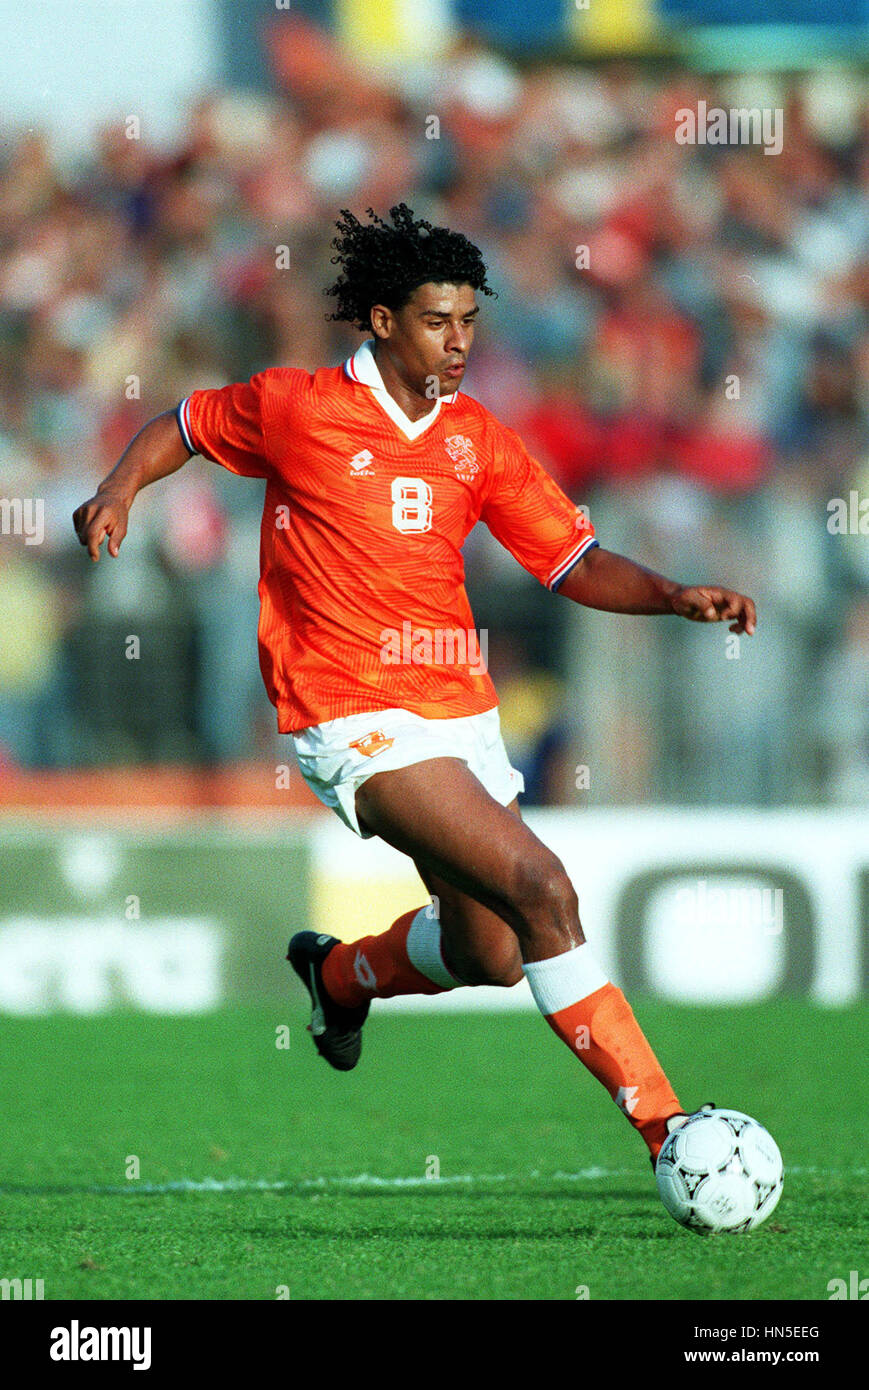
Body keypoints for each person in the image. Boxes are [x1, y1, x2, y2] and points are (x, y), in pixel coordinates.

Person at [73, 205, 756, 1167]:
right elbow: (180, 423)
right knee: (541, 887)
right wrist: (118, 490)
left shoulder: (476, 438)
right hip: (349, 713)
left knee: (491, 951)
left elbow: (573, 561)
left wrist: (672, 593)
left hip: (458, 712)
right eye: (439, 321)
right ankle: (669, 1131)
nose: (460, 341)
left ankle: (341, 975)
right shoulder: (297, 406)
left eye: (470, 321)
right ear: (385, 320)